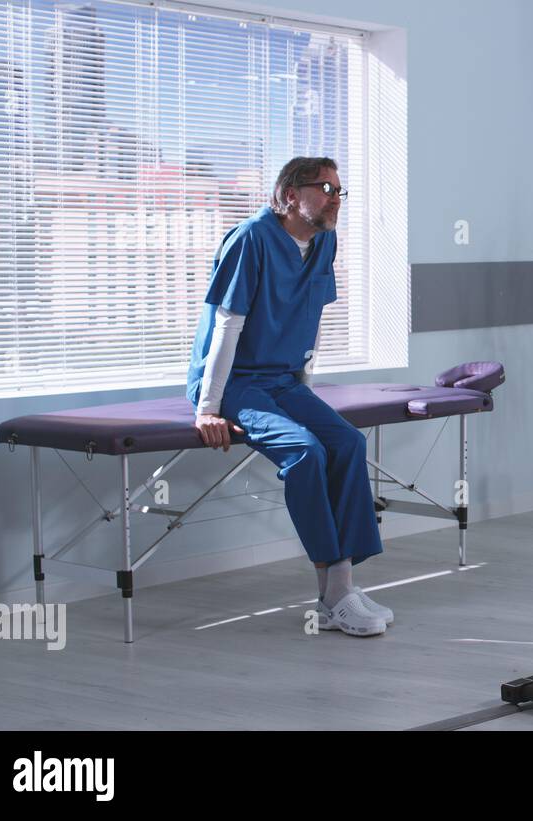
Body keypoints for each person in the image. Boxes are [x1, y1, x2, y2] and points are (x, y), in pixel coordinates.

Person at [186, 156, 394, 638]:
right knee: (305, 452)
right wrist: (207, 409)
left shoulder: (324, 242)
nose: (334, 197)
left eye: (340, 190)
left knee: (347, 444)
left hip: (283, 379)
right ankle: (335, 594)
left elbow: (310, 318)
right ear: (289, 193)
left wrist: (305, 392)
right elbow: (227, 324)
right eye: (324, 187)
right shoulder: (250, 239)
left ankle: (340, 588)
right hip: (236, 381)